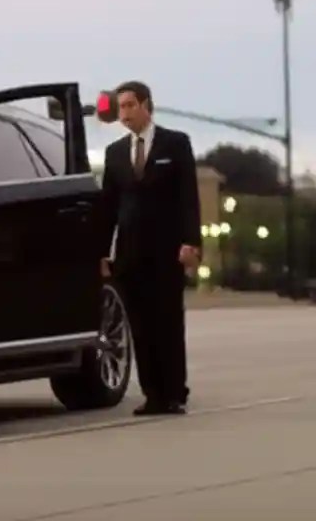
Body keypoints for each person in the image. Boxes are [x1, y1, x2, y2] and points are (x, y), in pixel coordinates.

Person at [96, 81, 201, 415]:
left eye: (128, 106)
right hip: (130, 252)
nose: (123, 113)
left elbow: (189, 197)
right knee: (140, 324)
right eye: (120, 108)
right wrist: (102, 251)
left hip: (167, 250)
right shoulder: (114, 153)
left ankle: (174, 392)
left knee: (168, 321)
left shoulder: (176, 144)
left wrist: (191, 241)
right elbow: (108, 206)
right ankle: (153, 393)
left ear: (145, 106)